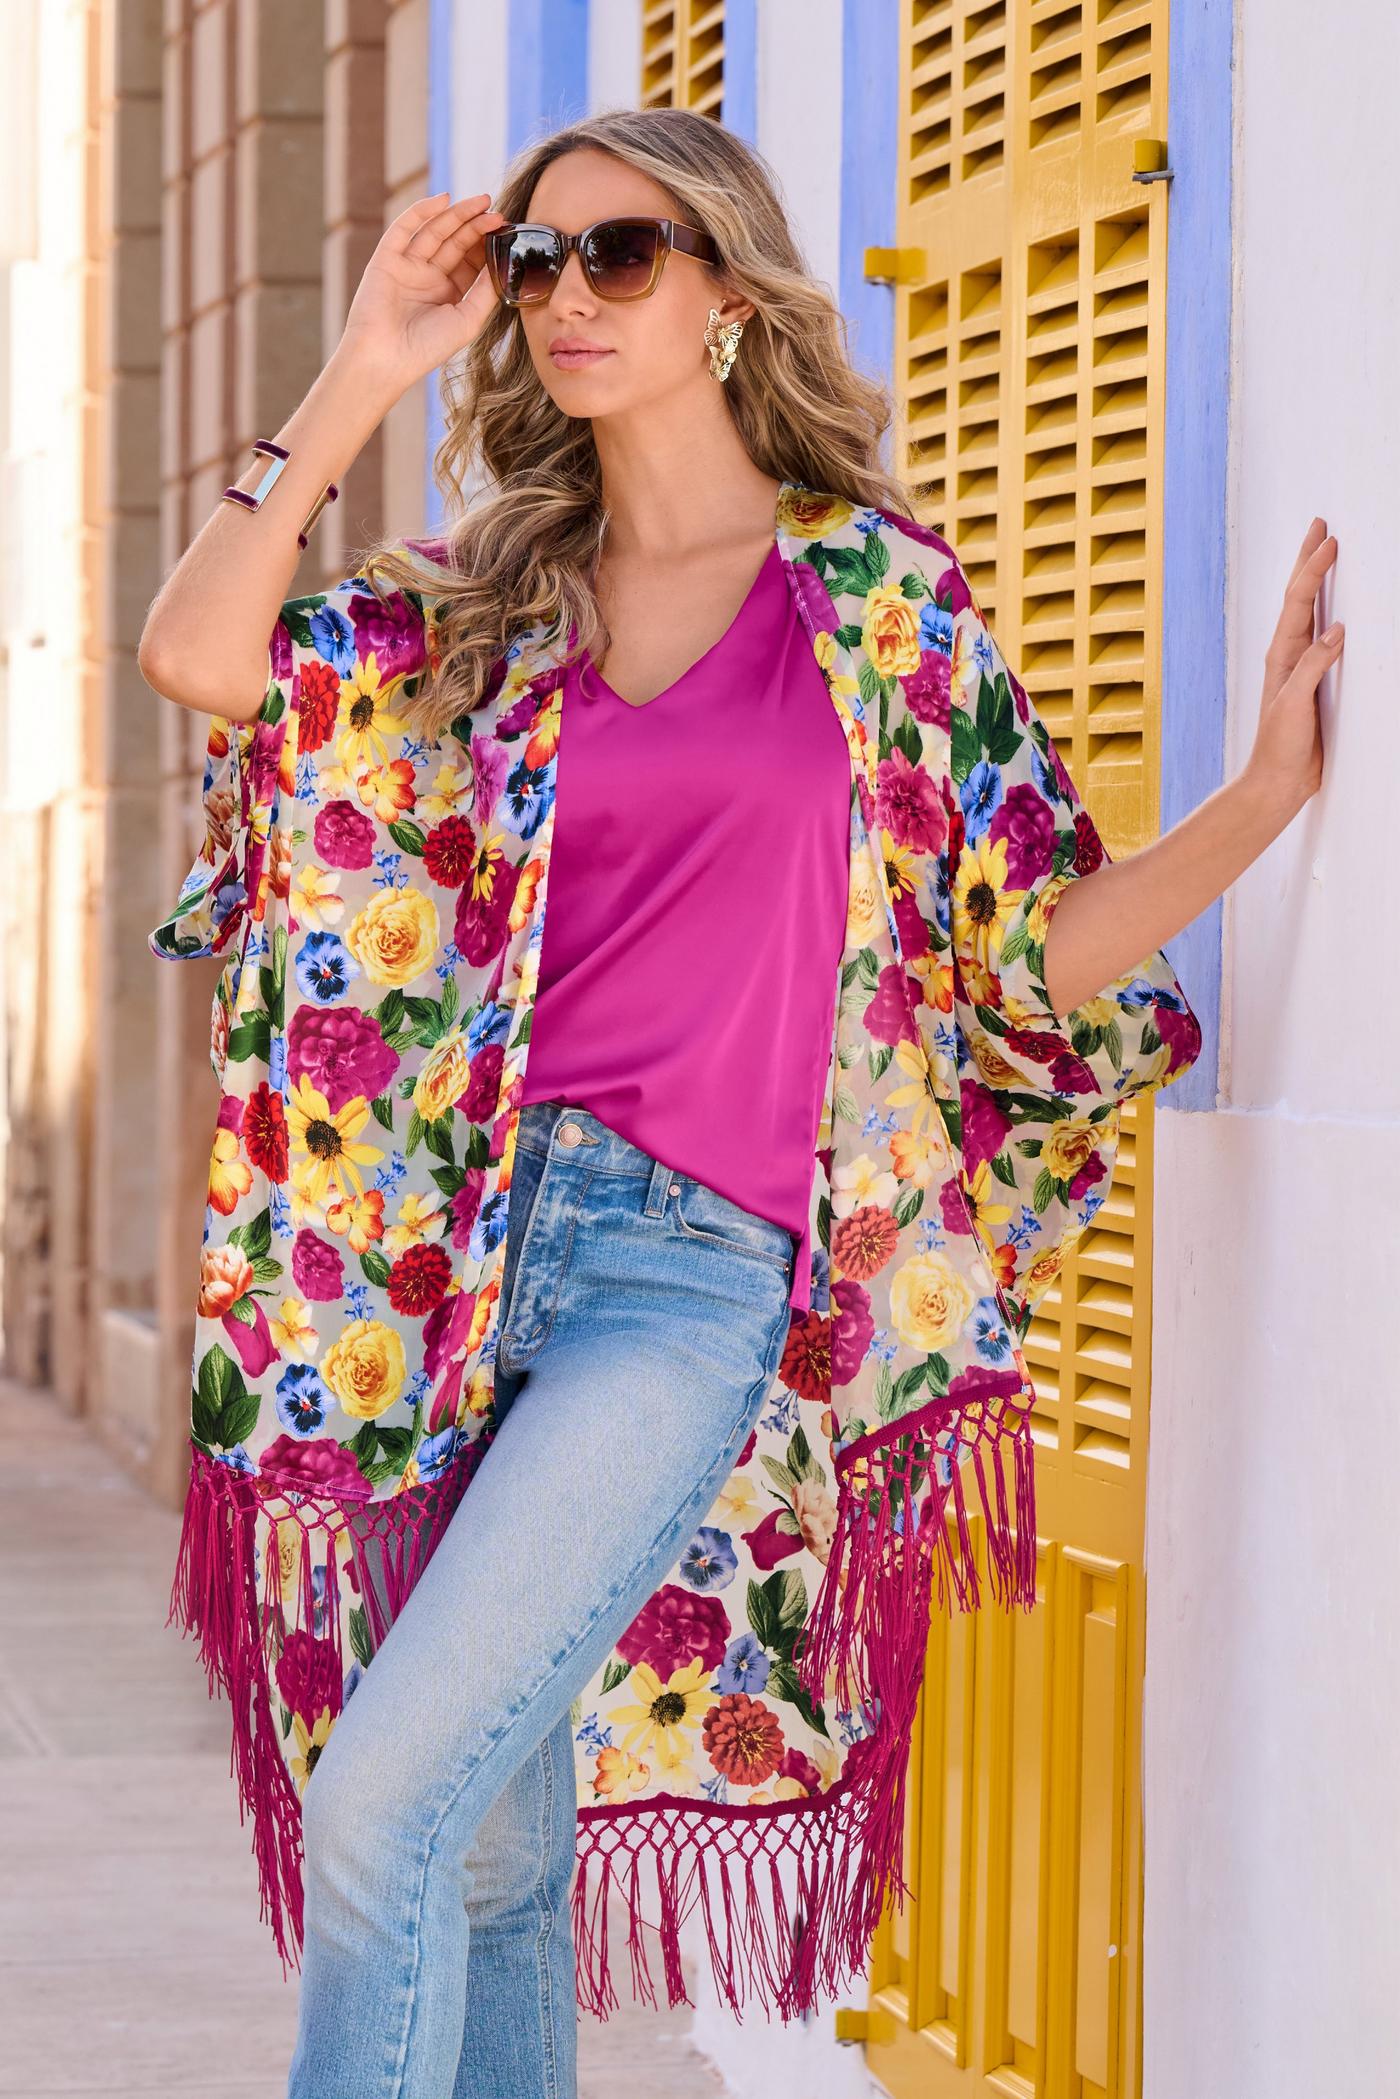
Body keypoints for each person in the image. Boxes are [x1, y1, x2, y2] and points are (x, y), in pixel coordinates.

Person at [138, 106, 1341, 2099]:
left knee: (380, 1807)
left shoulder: (873, 602)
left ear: (725, 292)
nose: (566, 296)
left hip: (685, 1285)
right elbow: (199, 653)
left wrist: (1260, 802)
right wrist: (364, 362)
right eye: (535, 263)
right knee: (491, 1855)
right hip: (463, 1278)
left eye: (619, 253)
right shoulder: (490, 599)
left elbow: (1016, 949)